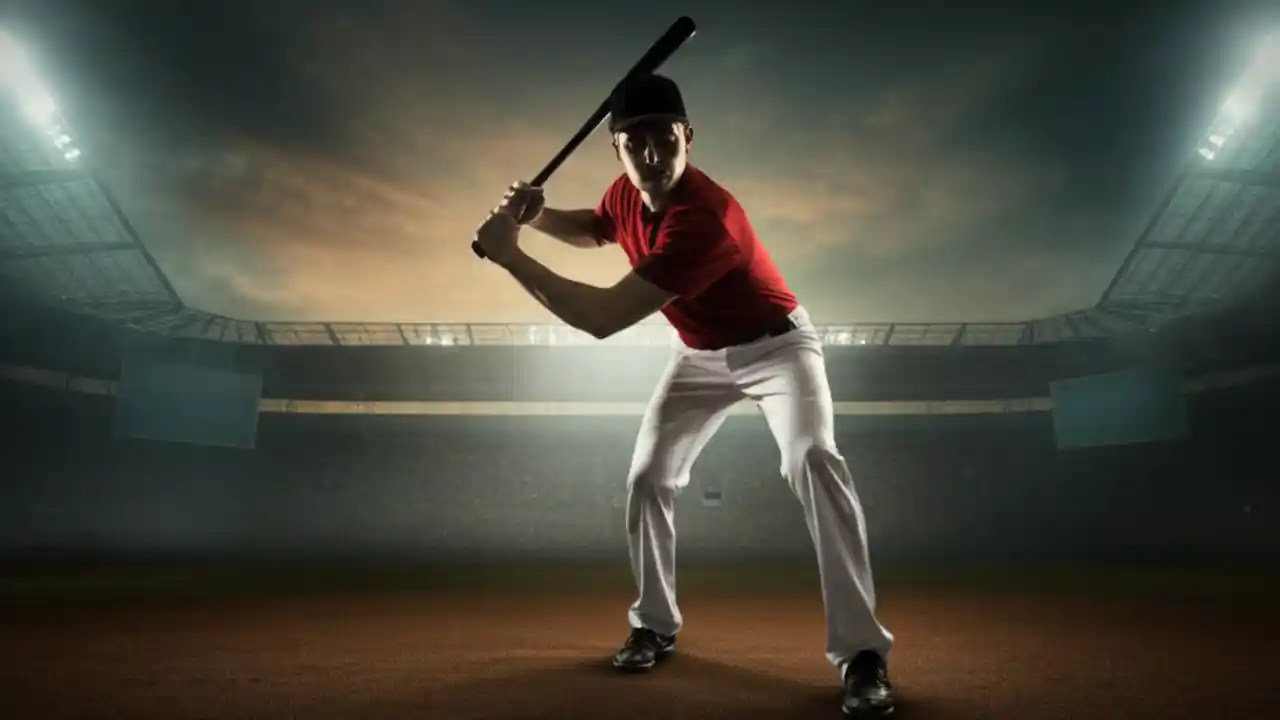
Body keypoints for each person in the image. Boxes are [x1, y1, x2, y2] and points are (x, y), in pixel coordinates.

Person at [472, 72, 896, 718]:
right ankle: (654, 624)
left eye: (664, 138)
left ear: (688, 138)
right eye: (634, 141)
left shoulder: (706, 219)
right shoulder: (625, 192)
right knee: (648, 478)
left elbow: (602, 318)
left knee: (812, 458)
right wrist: (540, 218)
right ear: (616, 147)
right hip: (699, 356)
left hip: (778, 348)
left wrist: (511, 256)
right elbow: (596, 228)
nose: (651, 154)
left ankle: (863, 653)